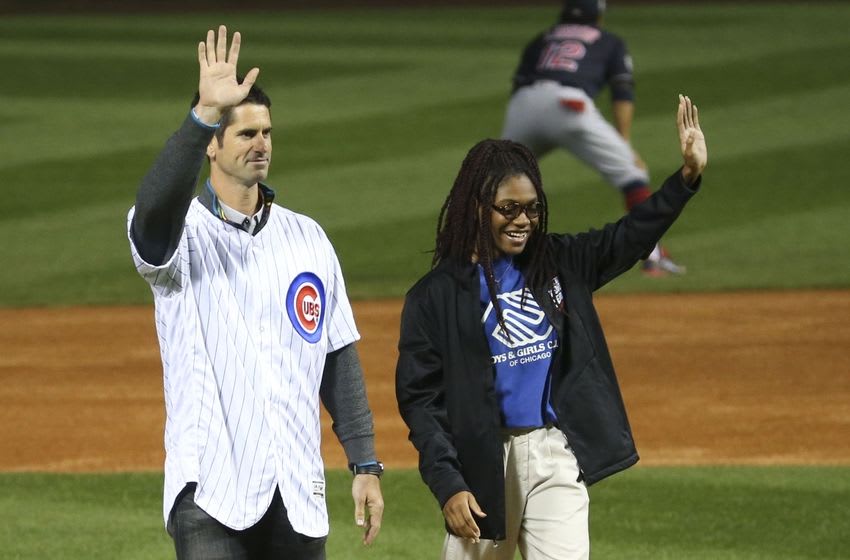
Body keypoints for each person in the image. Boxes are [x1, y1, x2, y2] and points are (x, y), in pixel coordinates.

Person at [396, 95, 706, 559]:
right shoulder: (435, 296)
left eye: (532, 208)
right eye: (509, 209)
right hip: (481, 463)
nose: (524, 221)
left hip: (553, 454)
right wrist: (448, 483)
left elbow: (629, 236)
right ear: (477, 207)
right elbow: (421, 401)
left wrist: (686, 179)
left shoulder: (559, 262)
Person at [127, 25, 384, 559]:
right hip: (210, 492)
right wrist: (201, 115)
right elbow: (152, 213)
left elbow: (338, 358)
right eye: (245, 134)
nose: (260, 144)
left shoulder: (308, 238)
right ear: (212, 147)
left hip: (296, 487)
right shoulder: (180, 237)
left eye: (266, 132)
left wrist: (364, 463)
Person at [501, 0, 684, 276]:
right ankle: (653, 256)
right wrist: (625, 143)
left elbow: (518, 85)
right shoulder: (609, 41)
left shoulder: (542, 38)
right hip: (568, 105)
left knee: (495, 178)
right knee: (632, 175)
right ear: (598, 17)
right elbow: (622, 91)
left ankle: (477, 256)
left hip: (524, 105)